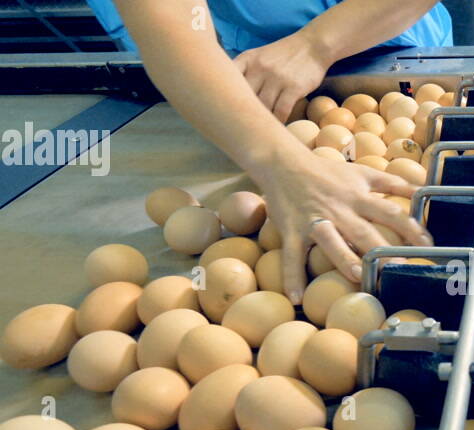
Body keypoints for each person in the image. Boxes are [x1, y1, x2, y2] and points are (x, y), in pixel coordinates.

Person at [88, 1, 451, 303]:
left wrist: (316, 46)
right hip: (265, 83)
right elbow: (168, 21)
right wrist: (281, 163)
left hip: (403, 42)